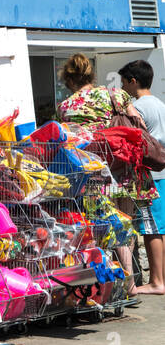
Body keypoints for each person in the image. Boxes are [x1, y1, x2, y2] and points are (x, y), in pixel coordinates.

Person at [57, 53, 157, 295]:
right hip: (124, 169)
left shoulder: (66, 106)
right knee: (127, 222)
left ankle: (115, 282)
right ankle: (130, 282)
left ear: (70, 81)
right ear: (91, 74)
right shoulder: (114, 94)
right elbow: (138, 124)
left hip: (94, 174)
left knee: (107, 226)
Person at [118, 60, 165, 294]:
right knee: (158, 227)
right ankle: (159, 279)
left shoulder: (139, 108)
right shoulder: (159, 103)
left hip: (149, 177)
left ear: (133, 81)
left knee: (152, 228)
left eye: (124, 82)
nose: (123, 88)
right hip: (161, 173)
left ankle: (157, 282)